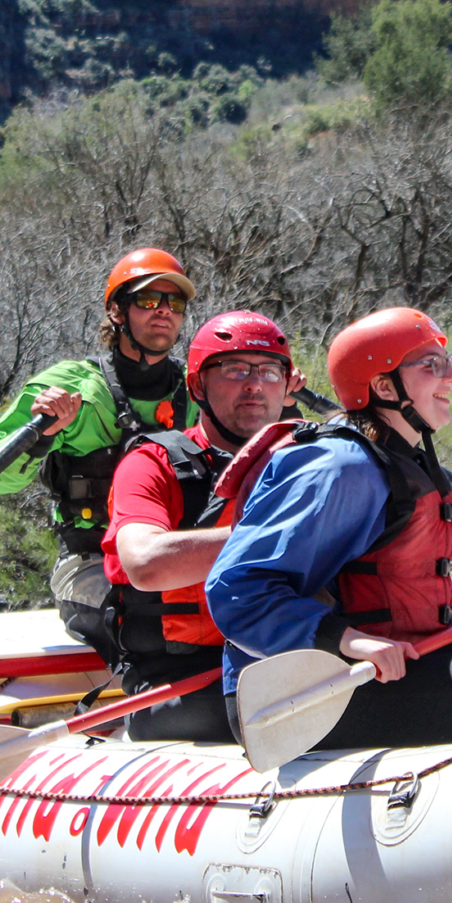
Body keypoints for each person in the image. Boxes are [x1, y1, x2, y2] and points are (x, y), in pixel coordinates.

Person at [204, 307, 452, 750]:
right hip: (299, 699)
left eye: (448, 363)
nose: (451, 377)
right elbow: (237, 591)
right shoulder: (341, 468)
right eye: (431, 365)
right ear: (384, 386)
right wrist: (348, 640)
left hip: (382, 672)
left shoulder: (397, 458)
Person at [92, 311, 302, 741]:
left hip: (292, 666)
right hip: (183, 683)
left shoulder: (312, 462)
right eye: (235, 369)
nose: (254, 385)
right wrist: (280, 538)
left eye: (269, 371)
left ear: (287, 385)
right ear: (197, 385)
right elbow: (146, 564)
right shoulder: (152, 464)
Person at [0, 247, 198, 643]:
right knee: (147, 622)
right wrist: (41, 433)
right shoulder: (72, 387)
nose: (163, 310)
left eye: (174, 302)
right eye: (148, 300)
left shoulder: (199, 389)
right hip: (90, 563)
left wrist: (277, 392)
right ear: (117, 311)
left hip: (176, 559)